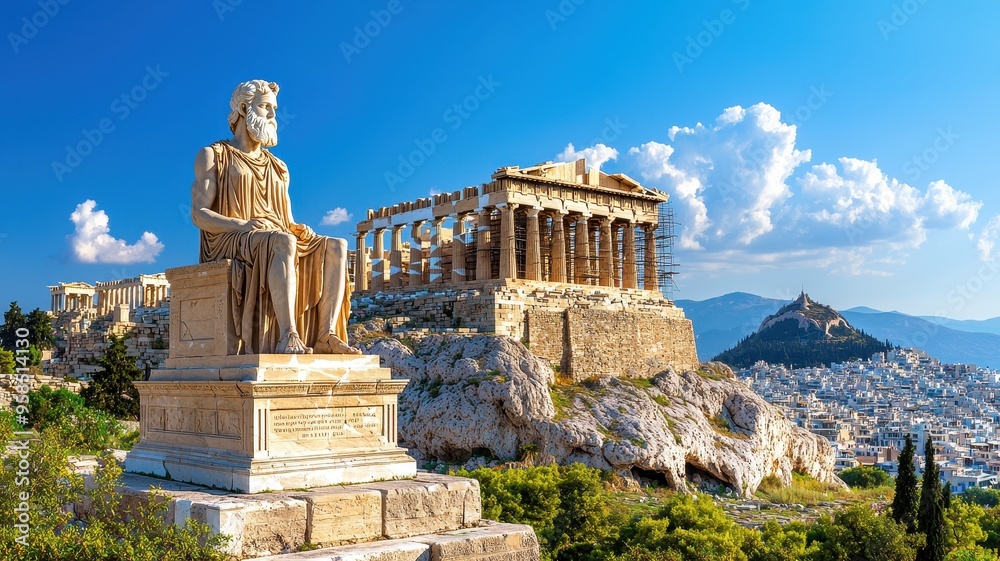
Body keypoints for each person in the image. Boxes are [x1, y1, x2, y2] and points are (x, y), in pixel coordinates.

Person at [190, 80, 358, 355]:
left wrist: (298, 227)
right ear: (244, 108)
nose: (272, 115)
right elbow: (199, 215)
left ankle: (325, 334)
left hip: (273, 236)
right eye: (266, 107)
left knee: (336, 245)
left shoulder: (278, 167)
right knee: (283, 242)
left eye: (274, 109)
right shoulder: (213, 155)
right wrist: (242, 224)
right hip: (230, 238)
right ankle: (288, 334)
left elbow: (286, 219)